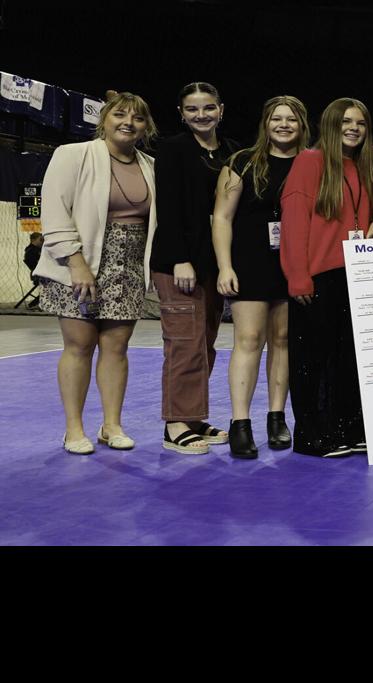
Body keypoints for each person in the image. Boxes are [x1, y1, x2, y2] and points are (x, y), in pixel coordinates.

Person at [36, 91, 158, 455]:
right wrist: (76, 263)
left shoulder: (150, 164)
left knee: (116, 348)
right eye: (120, 115)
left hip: (129, 265)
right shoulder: (72, 155)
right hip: (81, 261)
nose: (128, 123)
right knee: (79, 346)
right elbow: (55, 212)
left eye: (137, 118)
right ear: (103, 119)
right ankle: (74, 429)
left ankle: (111, 425)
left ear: (145, 126)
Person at [280, 97, 373, 458]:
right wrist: (298, 277)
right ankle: (311, 435)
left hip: (356, 274)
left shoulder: (365, 166)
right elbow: (293, 222)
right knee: (313, 360)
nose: (353, 128)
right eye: (345, 123)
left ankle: (348, 429)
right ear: (330, 126)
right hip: (317, 276)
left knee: (348, 359)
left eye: (360, 123)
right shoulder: (310, 162)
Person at [212, 94, 307, 459]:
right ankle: (240, 423)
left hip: (293, 265)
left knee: (283, 341)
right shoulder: (241, 162)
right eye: (277, 119)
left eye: (291, 120)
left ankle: (277, 418)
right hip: (250, 264)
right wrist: (225, 266)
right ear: (265, 124)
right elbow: (221, 217)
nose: (284, 125)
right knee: (249, 340)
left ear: (302, 125)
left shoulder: (311, 164)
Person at [152, 82, 240, 454]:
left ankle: (193, 416)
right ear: (181, 114)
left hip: (212, 264)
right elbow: (168, 208)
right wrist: (179, 259)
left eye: (208, 108)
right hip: (179, 264)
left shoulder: (233, 152)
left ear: (221, 109)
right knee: (184, 344)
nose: (201, 115)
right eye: (192, 109)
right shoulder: (172, 149)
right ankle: (175, 424)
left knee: (204, 344)